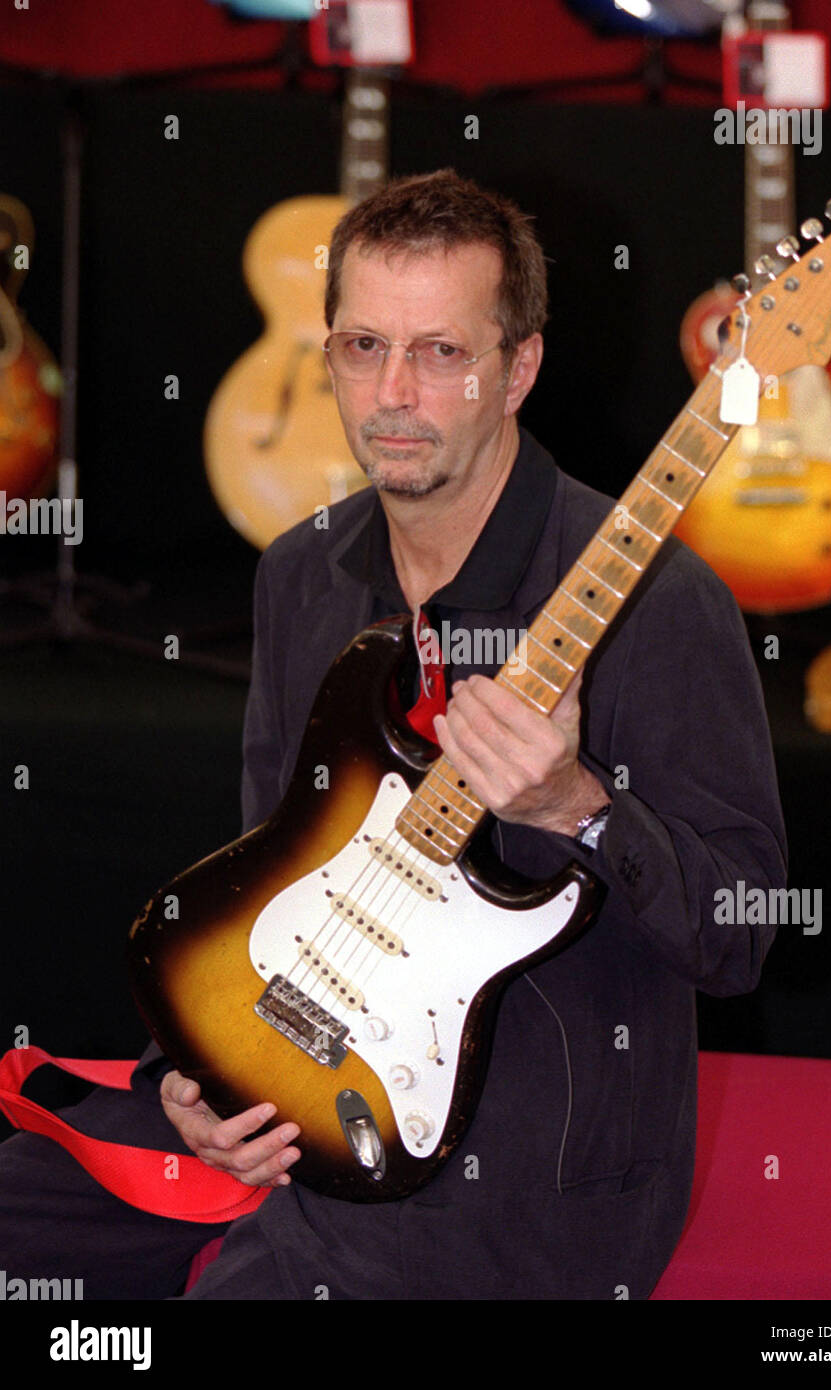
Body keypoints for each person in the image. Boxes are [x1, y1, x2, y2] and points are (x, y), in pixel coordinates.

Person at [0, 169, 786, 1300]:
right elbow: (266, 867)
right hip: (299, 1059)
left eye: (442, 353)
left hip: (521, 1153)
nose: (394, 393)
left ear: (518, 369)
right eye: (363, 347)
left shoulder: (659, 603)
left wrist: (579, 806)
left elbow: (742, 933)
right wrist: (198, 1074)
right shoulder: (304, 572)